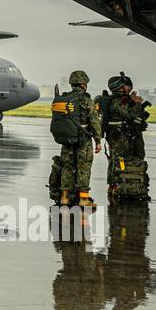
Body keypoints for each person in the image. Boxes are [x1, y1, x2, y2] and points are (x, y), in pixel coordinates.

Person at [56, 70, 102, 207]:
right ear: (83, 84)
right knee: (84, 167)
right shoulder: (86, 99)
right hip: (83, 140)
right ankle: (84, 199)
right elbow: (94, 121)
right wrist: (98, 140)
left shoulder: (65, 99)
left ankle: (64, 197)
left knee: (67, 167)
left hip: (67, 139)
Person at [103, 72, 150, 201]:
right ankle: (115, 185)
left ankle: (126, 185)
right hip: (119, 137)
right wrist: (136, 104)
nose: (129, 88)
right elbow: (129, 114)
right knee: (119, 161)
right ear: (120, 87)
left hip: (128, 136)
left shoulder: (123, 100)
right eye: (127, 86)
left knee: (122, 161)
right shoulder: (117, 101)